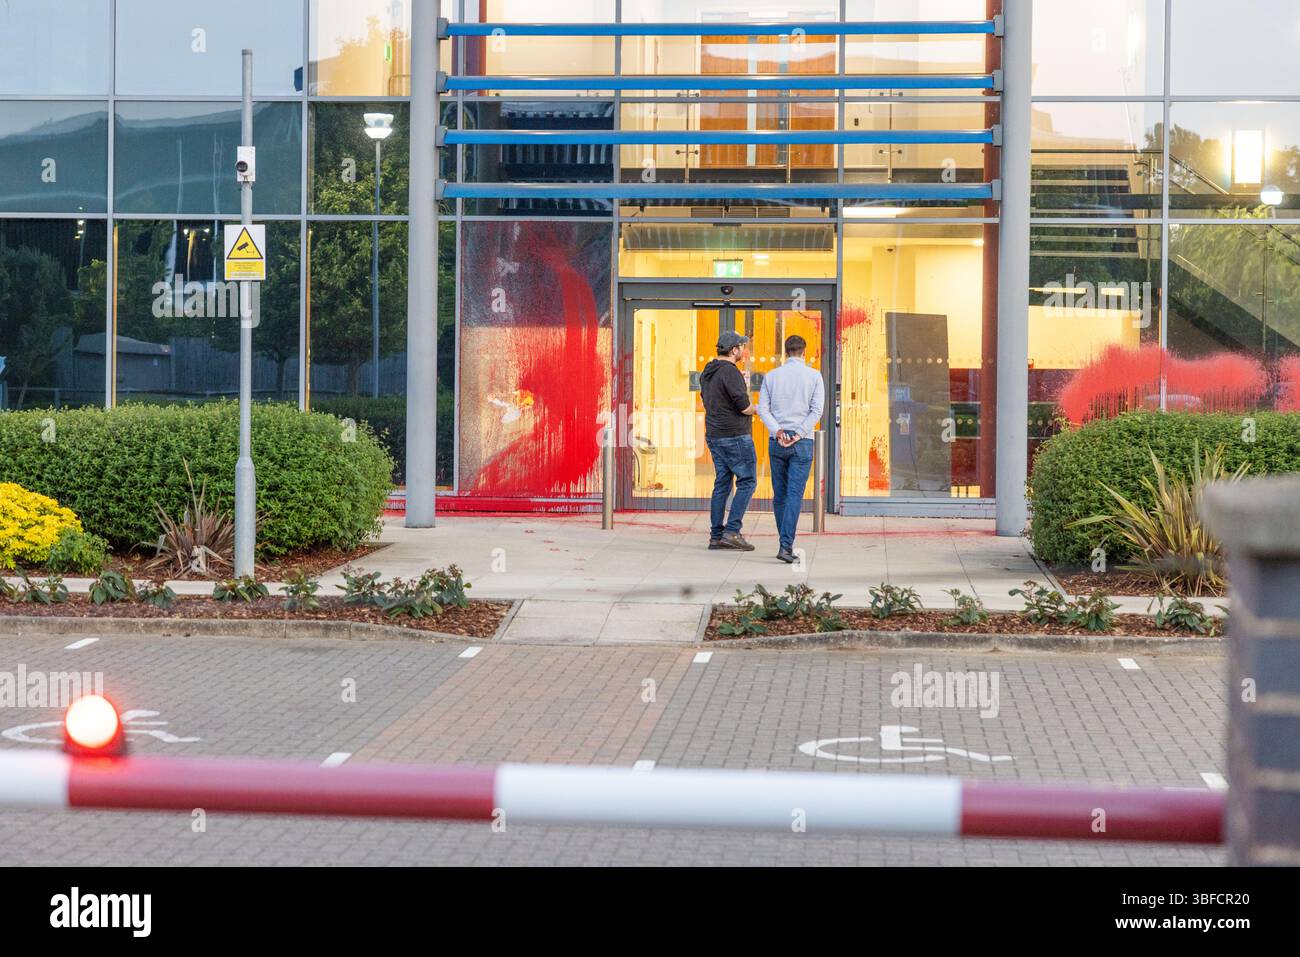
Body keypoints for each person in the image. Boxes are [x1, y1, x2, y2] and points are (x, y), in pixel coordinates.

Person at [757, 334, 825, 563]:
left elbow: (763, 409)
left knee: (780, 495)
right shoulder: (814, 376)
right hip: (802, 442)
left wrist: (778, 432)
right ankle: (786, 545)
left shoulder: (772, 376)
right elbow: (816, 411)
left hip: (777, 441)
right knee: (794, 495)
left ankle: (784, 542)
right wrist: (797, 434)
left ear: (786, 352)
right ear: (804, 352)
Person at [699, 330, 757, 551]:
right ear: (734, 350)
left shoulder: (708, 372)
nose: (743, 350)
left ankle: (716, 536)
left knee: (722, 482)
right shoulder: (730, 373)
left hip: (714, 435)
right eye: (741, 347)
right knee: (747, 481)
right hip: (735, 435)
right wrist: (759, 409)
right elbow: (744, 406)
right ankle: (732, 532)